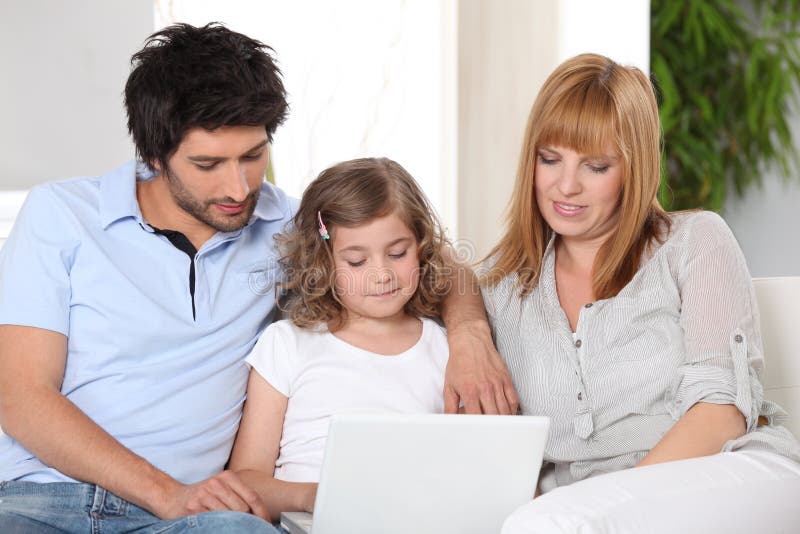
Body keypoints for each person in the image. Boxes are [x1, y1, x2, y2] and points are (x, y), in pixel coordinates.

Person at [0, 23, 515, 534]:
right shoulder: (62, 215)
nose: (238, 187)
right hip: (43, 500)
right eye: (208, 164)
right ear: (154, 157)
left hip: (193, 519)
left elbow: (432, 258)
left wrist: (470, 336)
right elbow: (21, 397)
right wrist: (169, 493)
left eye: (253, 155)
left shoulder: (286, 227)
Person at [481, 53, 800, 533]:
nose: (566, 185)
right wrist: (466, 330)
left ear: (634, 167)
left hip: (727, 472)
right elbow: (423, 277)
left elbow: (720, 415)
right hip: (583, 511)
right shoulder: (500, 287)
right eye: (550, 159)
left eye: (596, 166)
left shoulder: (694, 241)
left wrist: (609, 505)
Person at [228, 157, 451, 522]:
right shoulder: (287, 345)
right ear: (324, 261)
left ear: (422, 246)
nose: (381, 274)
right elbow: (244, 480)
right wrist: (315, 496)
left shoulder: (444, 348)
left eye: (397, 253)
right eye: (356, 261)